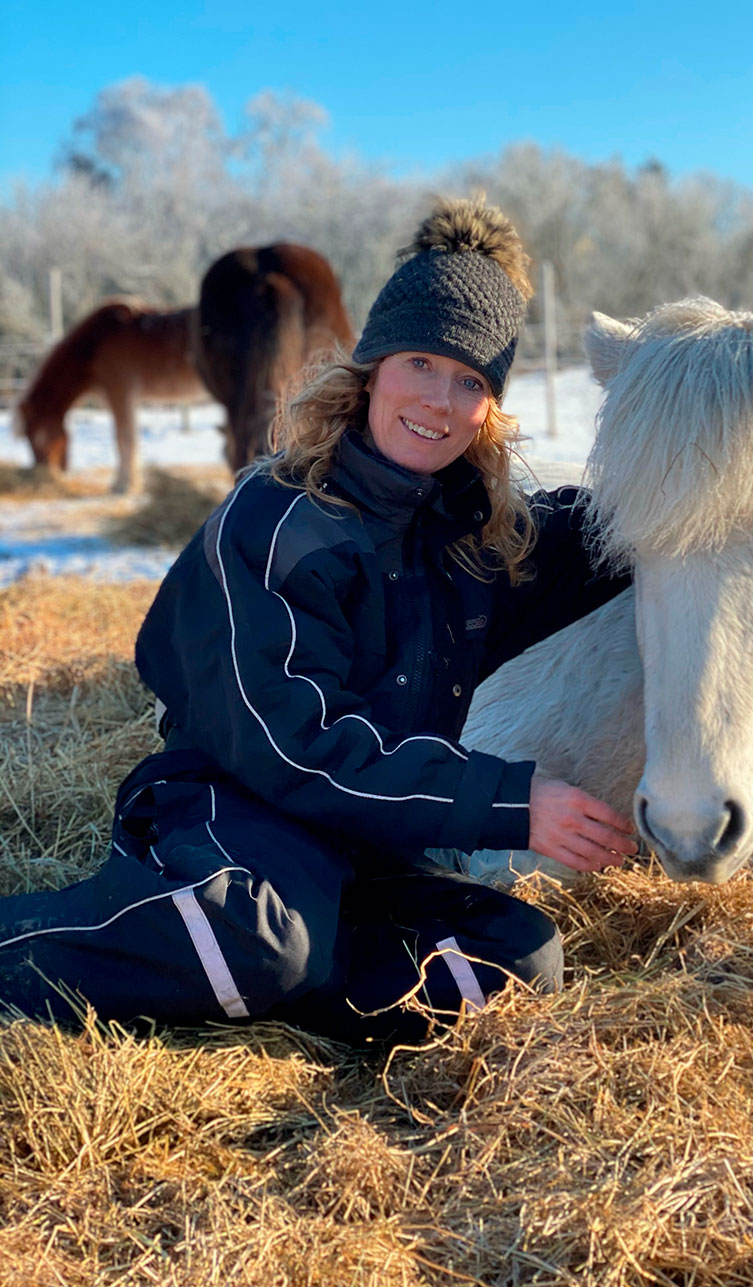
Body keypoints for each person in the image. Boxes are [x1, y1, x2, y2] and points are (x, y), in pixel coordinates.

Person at [0, 199, 635, 1043]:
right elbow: (294, 747)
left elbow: (618, 530)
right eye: (420, 361)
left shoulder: (477, 536)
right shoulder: (277, 517)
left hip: (369, 844)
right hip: (239, 806)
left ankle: (261, 970)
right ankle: (117, 942)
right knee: (265, 937)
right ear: (371, 368)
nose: (440, 400)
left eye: (471, 381)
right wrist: (510, 801)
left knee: (517, 957)